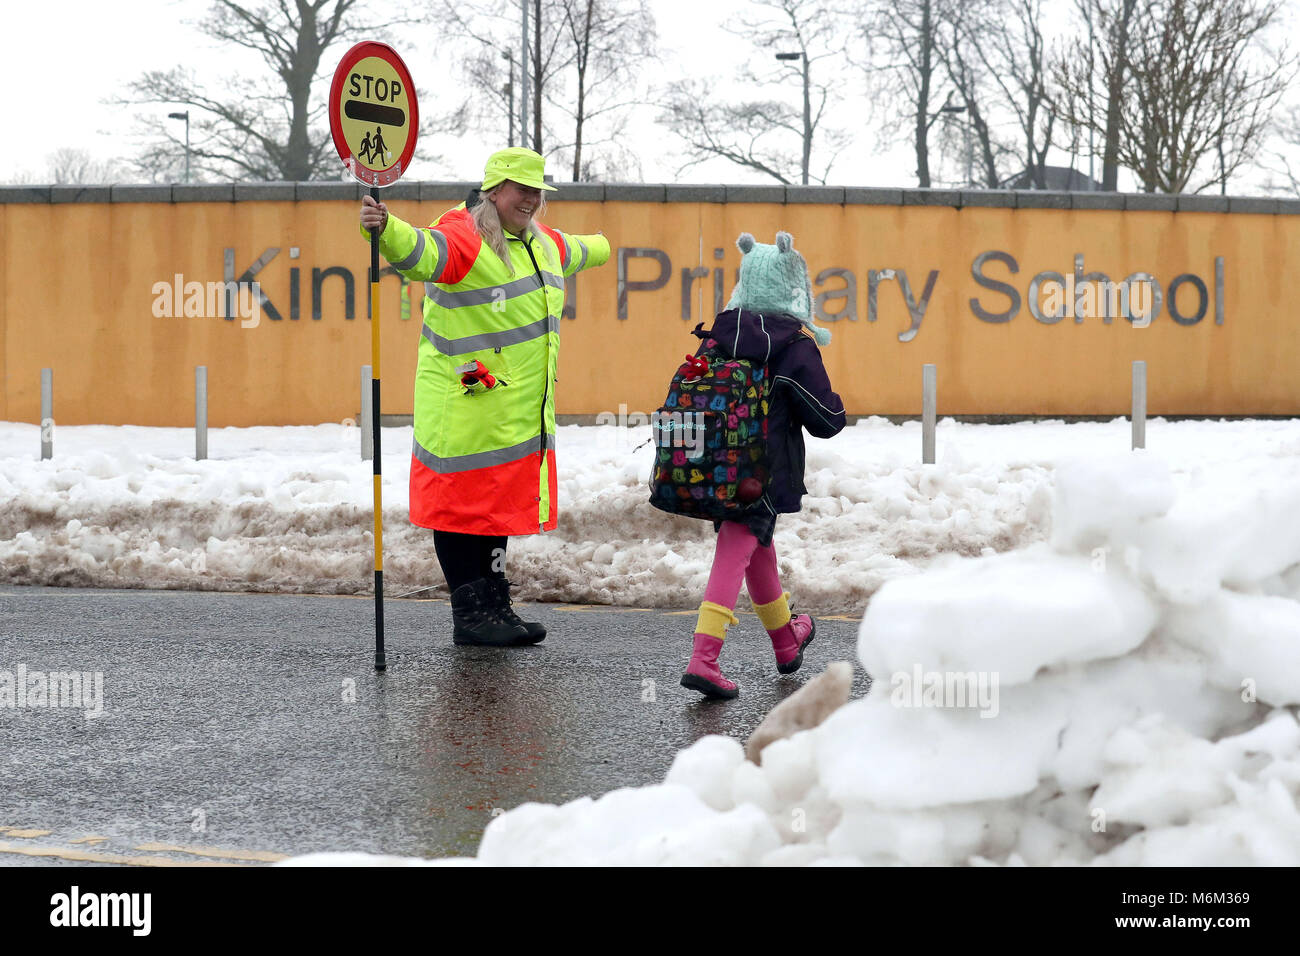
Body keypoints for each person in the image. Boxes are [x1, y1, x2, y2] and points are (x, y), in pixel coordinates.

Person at [358, 147, 610, 646]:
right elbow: (421, 253)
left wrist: (606, 244)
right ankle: (470, 614)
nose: (532, 200)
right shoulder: (466, 236)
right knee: (459, 513)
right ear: (495, 191)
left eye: (538, 192)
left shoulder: (540, 244)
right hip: (466, 407)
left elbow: (581, 250)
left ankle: (494, 603)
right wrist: (385, 228)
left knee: (495, 512)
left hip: (510, 417)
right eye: (523, 190)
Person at [678, 231, 846, 699]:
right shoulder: (794, 344)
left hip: (718, 465)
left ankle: (786, 641)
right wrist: (837, 408)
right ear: (796, 285)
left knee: (759, 552)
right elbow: (826, 420)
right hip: (763, 472)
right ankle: (703, 660)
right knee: (736, 552)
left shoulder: (722, 332)